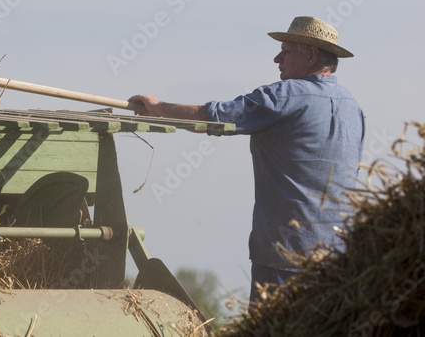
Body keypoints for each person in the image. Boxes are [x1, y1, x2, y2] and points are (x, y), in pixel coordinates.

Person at [127, 16, 364, 303]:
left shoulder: (285, 95)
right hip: (338, 259)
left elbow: (216, 117)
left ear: (311, 55)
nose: (277, 58)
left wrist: (158, 108)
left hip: (286, 257)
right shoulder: (353, 107)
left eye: (286, 51)